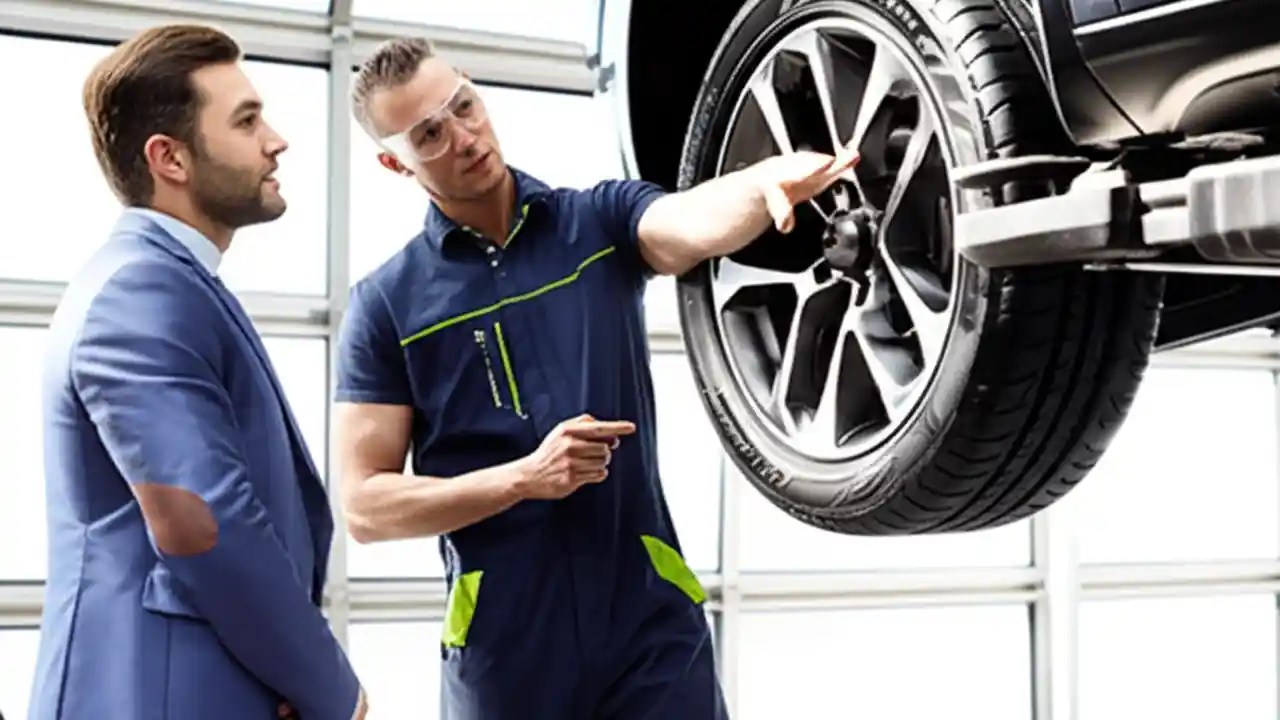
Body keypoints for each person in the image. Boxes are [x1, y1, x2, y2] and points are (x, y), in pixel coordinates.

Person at [333, 38, 856, 719]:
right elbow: (364, 507)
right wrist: (524, 478)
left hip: (646, 617)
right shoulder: (386, 305)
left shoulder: (595, 223)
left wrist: (759, 185)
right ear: (393, 163)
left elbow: (687, 220)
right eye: (429, 134)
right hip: (504, 647)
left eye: (463, 105)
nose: (463, 137)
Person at [30, 24, 367, 720]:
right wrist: (335, 692)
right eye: (246, 121)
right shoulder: (140, 292)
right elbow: (203, 522)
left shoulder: (171, 282)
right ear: (170, 159)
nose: (276, 140)